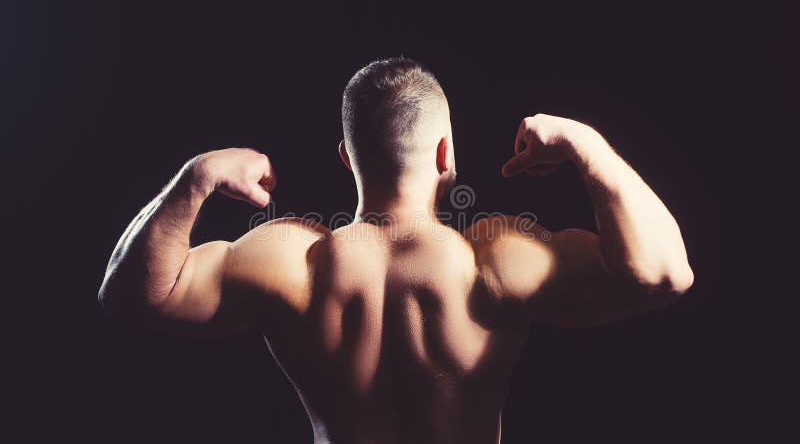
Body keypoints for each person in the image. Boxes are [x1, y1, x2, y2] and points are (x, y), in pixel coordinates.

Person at [99, 57, 693, 444]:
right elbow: (665, 275)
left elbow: (133, 295)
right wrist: (588, 148)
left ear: (347, 157)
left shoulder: (290, 262)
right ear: (445, 154)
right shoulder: (494, 259)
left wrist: (197, 178)